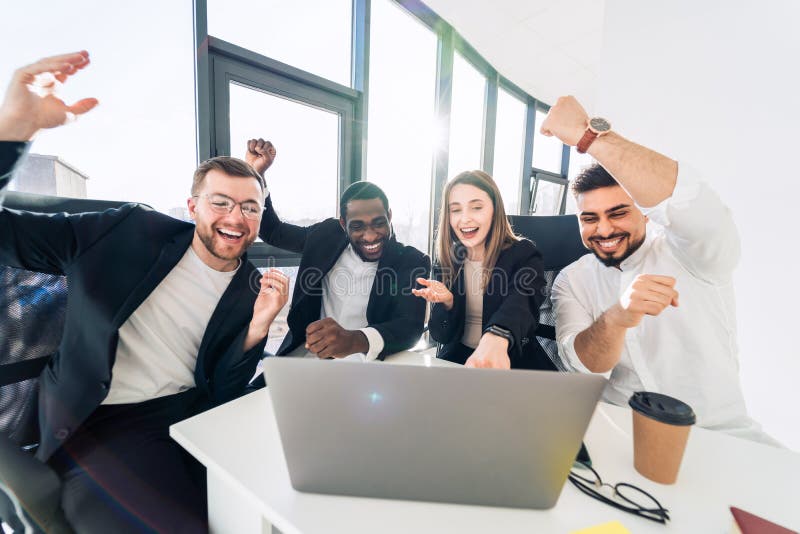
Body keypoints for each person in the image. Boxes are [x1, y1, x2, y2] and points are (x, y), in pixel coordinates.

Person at [0, 51, 290, 532]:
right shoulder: (127, 232)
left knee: (271, 510)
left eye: (251, 208)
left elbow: (223, 388)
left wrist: (258, 327)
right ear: (193, 204)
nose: (236, 218)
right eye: (221, 203)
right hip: (107, 423)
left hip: (196, 419)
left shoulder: (248, 287)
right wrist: (12, 132)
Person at [544, 95, 776, 444]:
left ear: (644, 211)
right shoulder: (572, 279)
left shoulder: (692, 252)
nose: (604, 230)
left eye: (618, 213)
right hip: (617, 429)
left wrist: (586, 137)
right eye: (589, 218)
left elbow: (689, 202)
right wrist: (618, 317)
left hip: (718, 435)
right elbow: (582, 366)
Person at [245, 138, 430, 368]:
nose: (370, 236)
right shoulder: (326, 235)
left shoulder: (412, 261)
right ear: (343, 224)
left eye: (378, 223)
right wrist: (258, 175)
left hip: (365, 366)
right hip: (305, 358)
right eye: (358, 226)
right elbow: (274, 232)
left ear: (390, 216)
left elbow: (409, 327)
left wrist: (355, 340)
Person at [413, 170, 556, 370]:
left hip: (512, 362)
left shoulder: (523, 253)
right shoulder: (449, 259)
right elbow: (441, 335)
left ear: (495, 210)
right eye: (455, 210)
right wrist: (448, 303)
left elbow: (522, 303)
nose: (465, 219)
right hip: (460, 360)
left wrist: (497, 336)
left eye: (476, 207)